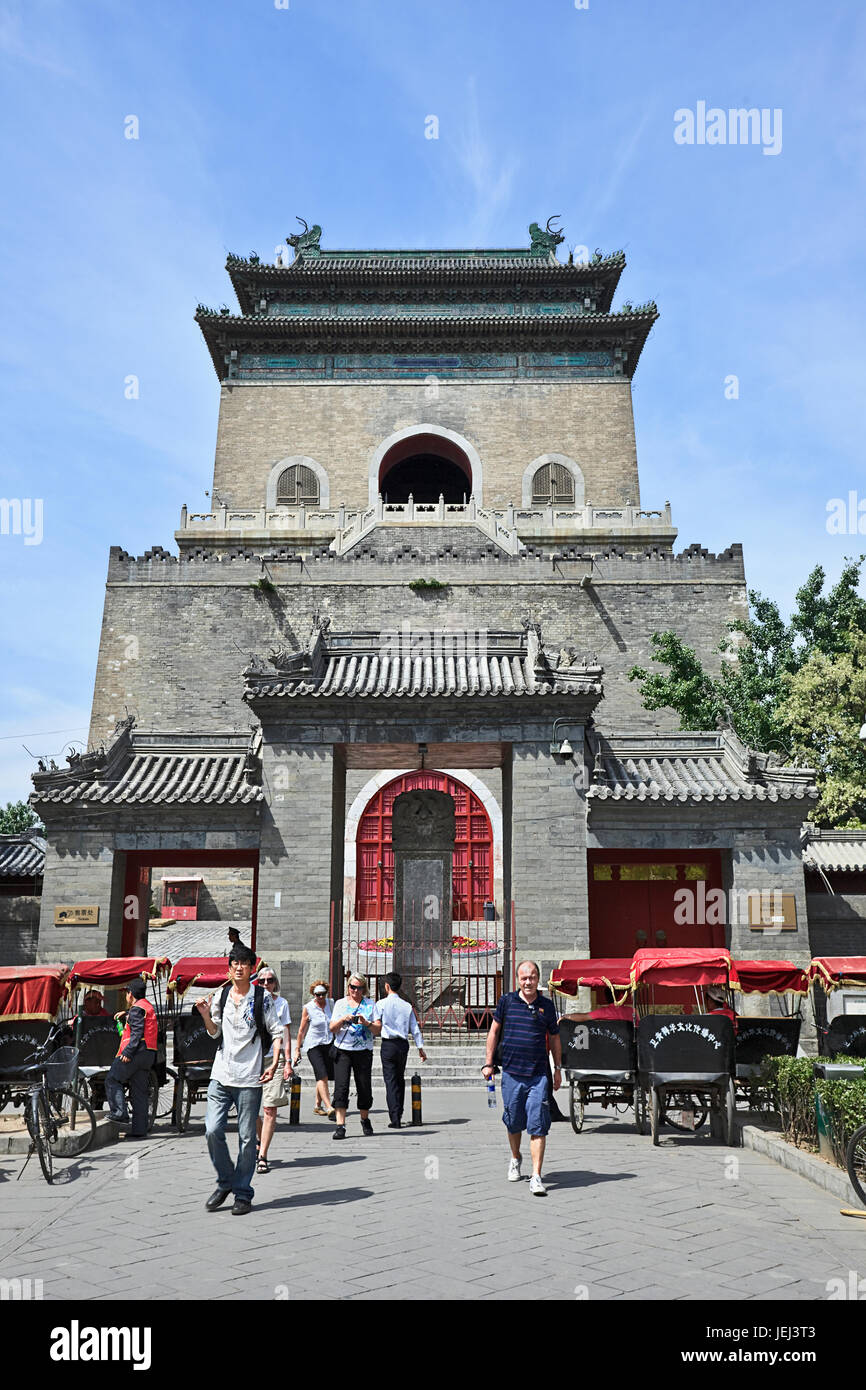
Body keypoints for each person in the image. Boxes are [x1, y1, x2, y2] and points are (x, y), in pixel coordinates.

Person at [195, 944, 282, 1215]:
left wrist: (276, 1063)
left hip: (249, 1078)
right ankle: (225, 1182)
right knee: (212, 1129)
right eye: (235, 963)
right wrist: (206, 1015)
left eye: (244, 963)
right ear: (229, 967)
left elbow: (277, 1032)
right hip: (221, 1075)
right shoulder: (221, 995)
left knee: (246, 1138)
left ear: (251, 968)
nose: (239, 967)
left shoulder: (261, 997)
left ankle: (242, 1193)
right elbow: (214, 1033)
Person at [483, 960, 562, 1196]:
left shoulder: (546, 1007)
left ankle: (537, 1176)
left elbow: (555, 1038)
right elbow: (494, 1031)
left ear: (539, 979)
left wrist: (558, 1068)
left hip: (538, 1075)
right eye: (524, 977)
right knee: (514, 1121)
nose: (528, 982)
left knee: (538, 1125)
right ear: (517, 979)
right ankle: (516, 1158)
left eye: (533, 977)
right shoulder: (507, 1002)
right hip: (511, 1074)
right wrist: (488, 1063)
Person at [371, 972, 426, 1128]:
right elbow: (414, 1028)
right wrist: (420, 1047)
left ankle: (395, 1117)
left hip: (388, 1045)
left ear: (387, 986)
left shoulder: (380, 1004)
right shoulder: (406, 1005)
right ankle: (399, 1111)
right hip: (402, 1045)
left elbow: (376, 1025)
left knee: (390, 1080)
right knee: (400, 1078)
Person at [105, 979, 158, 1139]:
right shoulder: (146, 1006)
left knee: (112, 1079)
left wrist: (127, 1052)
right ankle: (139, 1129)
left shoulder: (136, 1009)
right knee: (139, 1092)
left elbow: (136, 1033)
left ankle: (119, 1112)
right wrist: (127, 1014)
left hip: (135, 1052)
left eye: (127, 993)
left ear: (131, 994)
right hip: (149, 1054)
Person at [254, 969, 293, 1174]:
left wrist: (287, 1062)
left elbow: (285, 1032)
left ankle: (263, 1155)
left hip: (273, 1059)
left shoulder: (282, 1003)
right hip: (252, 1059)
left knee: (270, 1108)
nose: (266, 984)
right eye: (262, 981)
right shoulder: (251, 1001)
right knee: (251, 1109)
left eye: (270, 980)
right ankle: (260, 1138)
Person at [329, 973, 375, 1140]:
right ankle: (340, 1126)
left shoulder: (370, 1004)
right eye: (352, 987)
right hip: (343, 1050)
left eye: (359, 987)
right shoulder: (340, 1004)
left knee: (364, 1087)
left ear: (364, 988)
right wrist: (343, 1019)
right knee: (341, 1087)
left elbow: (378, 1029)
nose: (355, 991)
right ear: (348, 987)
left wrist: (366, 1022)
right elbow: (332, 1028)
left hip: (363, 1051)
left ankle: (364, 1119)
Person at [293, 981, 336, 1118]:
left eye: (323, 994)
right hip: (313, 1045)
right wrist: (297, 1049)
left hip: (328, 1043)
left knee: (324, 1076)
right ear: (313, 994)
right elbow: (301, 1031)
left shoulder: (331, 1004)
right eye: (318, 995)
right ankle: (329, 1107)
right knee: (321, 1074)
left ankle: (317, 1105)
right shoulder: (309, 1007)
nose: (321, 997)